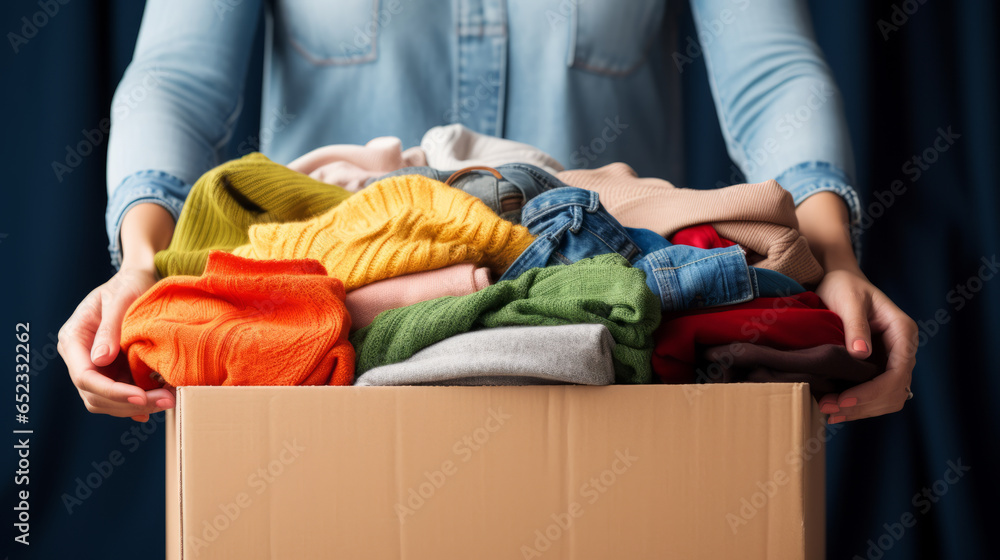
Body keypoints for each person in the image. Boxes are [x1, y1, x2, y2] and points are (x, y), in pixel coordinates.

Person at [58, 0, 917, 423]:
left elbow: (770, 72)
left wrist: (835, 259)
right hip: (314, 374)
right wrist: (140, 260)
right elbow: (177, 76)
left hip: (622, 358)